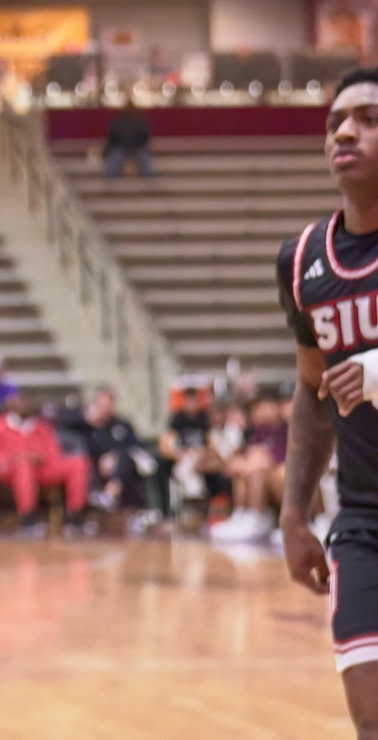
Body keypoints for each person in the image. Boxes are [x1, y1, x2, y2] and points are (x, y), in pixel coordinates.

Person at [278, 69, 378, 732]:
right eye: (336, 121)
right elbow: (314, 393)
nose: (344, 131)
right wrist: (291, 512)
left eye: (368, 118)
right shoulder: (302, 260)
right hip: (364, 520)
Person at [0, 392, 89, 536]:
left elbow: (53, 452)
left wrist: (36, 456)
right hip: (11, 469)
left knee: (78, 463)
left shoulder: (42, 427)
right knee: (23, 465)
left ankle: (76, 518)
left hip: (40, 468)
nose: (23, 406)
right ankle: (28, 520)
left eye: (25, 402)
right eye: (18, 402)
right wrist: (16, 457)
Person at [80, 386, 165, 519]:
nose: (106, 408)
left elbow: (136, 446)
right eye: (103, 405)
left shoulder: (123, 424)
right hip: (98, 468)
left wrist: (114, 456)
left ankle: (110, 494)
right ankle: (106, 495)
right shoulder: (89, 427)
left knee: (124, 458)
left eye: (109, 404)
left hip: (127, 468)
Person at [214, 396, 290, 543]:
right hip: (264, 470)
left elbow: (278, 458)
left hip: (279, 472)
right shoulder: (259, 431)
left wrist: (252, 464)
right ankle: (241, 514)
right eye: (257, 409)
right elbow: (250, 452)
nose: (259, 413)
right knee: (243, 473)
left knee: (257, 473)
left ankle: (257, 516)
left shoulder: (284, 429)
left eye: (264, 407)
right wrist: (243, 463)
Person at [102, 103, 154, 180]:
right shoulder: (118, 123)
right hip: (122, 148)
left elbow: (145, 138)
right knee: (114, 161)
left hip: (137, 149)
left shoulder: (139, 122)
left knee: (146, 162)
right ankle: (111, 185)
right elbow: (112, 139)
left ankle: (150, 184)